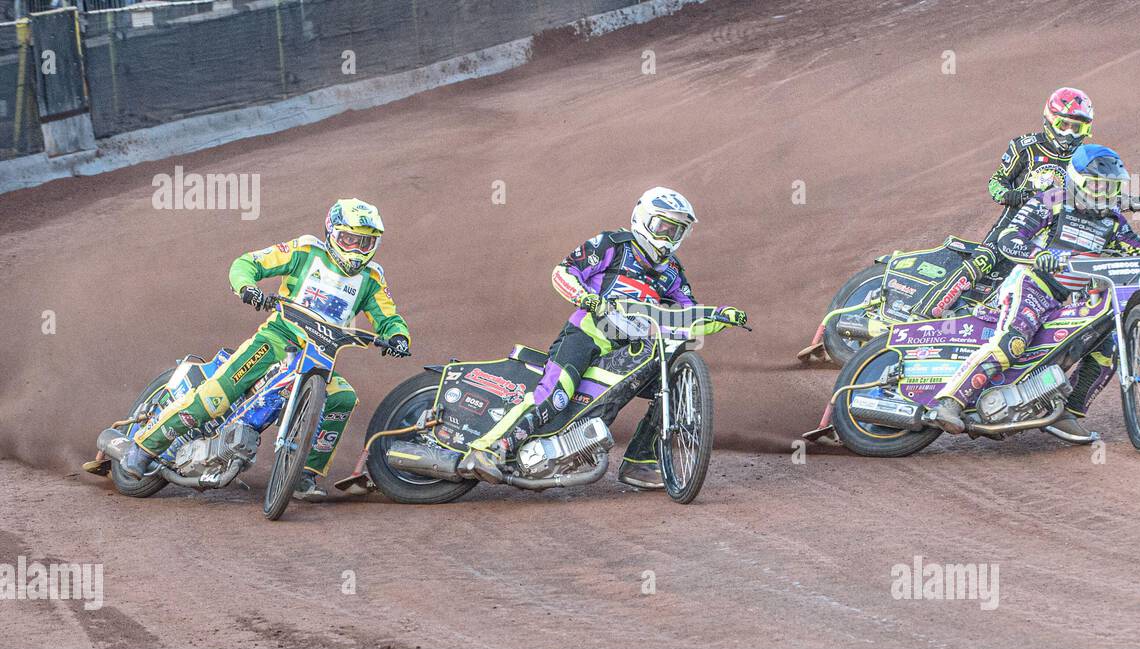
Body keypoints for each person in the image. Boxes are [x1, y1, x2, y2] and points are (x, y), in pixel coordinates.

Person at [119, 198, 411, 501]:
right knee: (216, 397)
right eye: (349, 239)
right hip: (275, 341)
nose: (355, 249)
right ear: (332, 232)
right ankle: (142, 448)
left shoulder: (372, 278)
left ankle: (303, 475)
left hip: (321, 356)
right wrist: (247, 288)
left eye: (365, 242)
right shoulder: (306, 250)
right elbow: (248, 263)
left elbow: (388, 317)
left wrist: (398, 336)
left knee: (343, 397)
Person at [459, 187, 747, 486]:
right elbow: (563, 271)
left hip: (629, 350)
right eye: (664, 226)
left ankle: (639, 461)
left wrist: (721, 316)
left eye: (677, 230)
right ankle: (489, 450)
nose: (668, 236)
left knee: (670, 388)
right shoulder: (612, 244)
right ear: (644, 219)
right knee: (556, 395)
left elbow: (690, 314)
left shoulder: (672, 271)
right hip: (587, 333)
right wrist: (587, 298)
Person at [929, 145, 1140, 437]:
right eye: (1098, 187)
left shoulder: (1112, 221)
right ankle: (950, 402)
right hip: (1032, 284)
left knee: (1106, 342)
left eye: (1111, 188)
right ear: (1078, 182)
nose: (1105, 195)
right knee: (1013, 342)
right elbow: (1008, 238)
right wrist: (1037, 255)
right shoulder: (1052, 200)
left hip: (1067, 300)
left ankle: (1066, 413)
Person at [982, 87, 1095, 247]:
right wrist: (1007, 194)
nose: (1070, 133)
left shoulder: (1086, 158)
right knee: (984, 258)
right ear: (1050, 119)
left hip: (1059, 227)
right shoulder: (1026, 147)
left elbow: (1095, 192)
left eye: (1076, 128)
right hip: (1016, 219)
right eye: (1064, 125)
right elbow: (998, 179)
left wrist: (1119, 201)